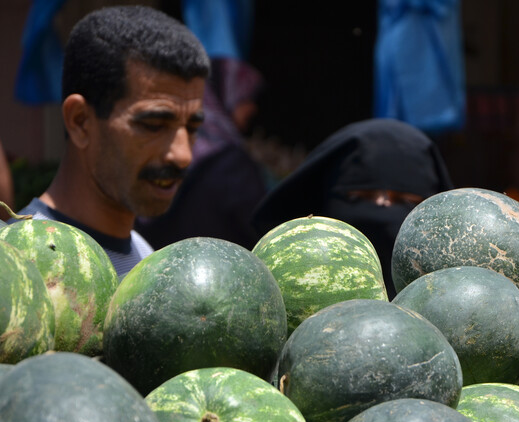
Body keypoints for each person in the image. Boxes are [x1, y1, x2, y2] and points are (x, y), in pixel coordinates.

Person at [11, 6, 209, 277]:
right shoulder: (14, 268)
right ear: (80, 121)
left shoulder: (145, 257)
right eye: (153, 125)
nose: (183, 155)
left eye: (192, 127)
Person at [251, 118, 454, 297]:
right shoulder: (282, 285)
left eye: (405, 200)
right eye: (362, 197)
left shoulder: (450, 298)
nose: (382, 207)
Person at [135, 57, 269, 250]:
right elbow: (262, 232)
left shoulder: (158, 161)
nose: (252, 108)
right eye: (245, 96)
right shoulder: (233, 166)